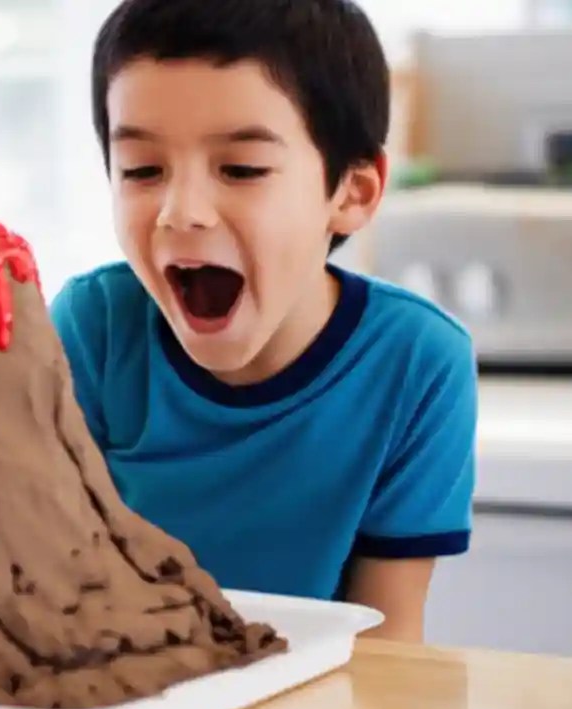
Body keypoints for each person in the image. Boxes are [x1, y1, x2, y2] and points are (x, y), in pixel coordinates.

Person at [48, 0, 475, 641]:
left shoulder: (417, 363)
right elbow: (42, 601)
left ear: (352, 192)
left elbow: (391, 649)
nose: (180, 212)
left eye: (241, 169)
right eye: (142, 170)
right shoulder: (94, 329)